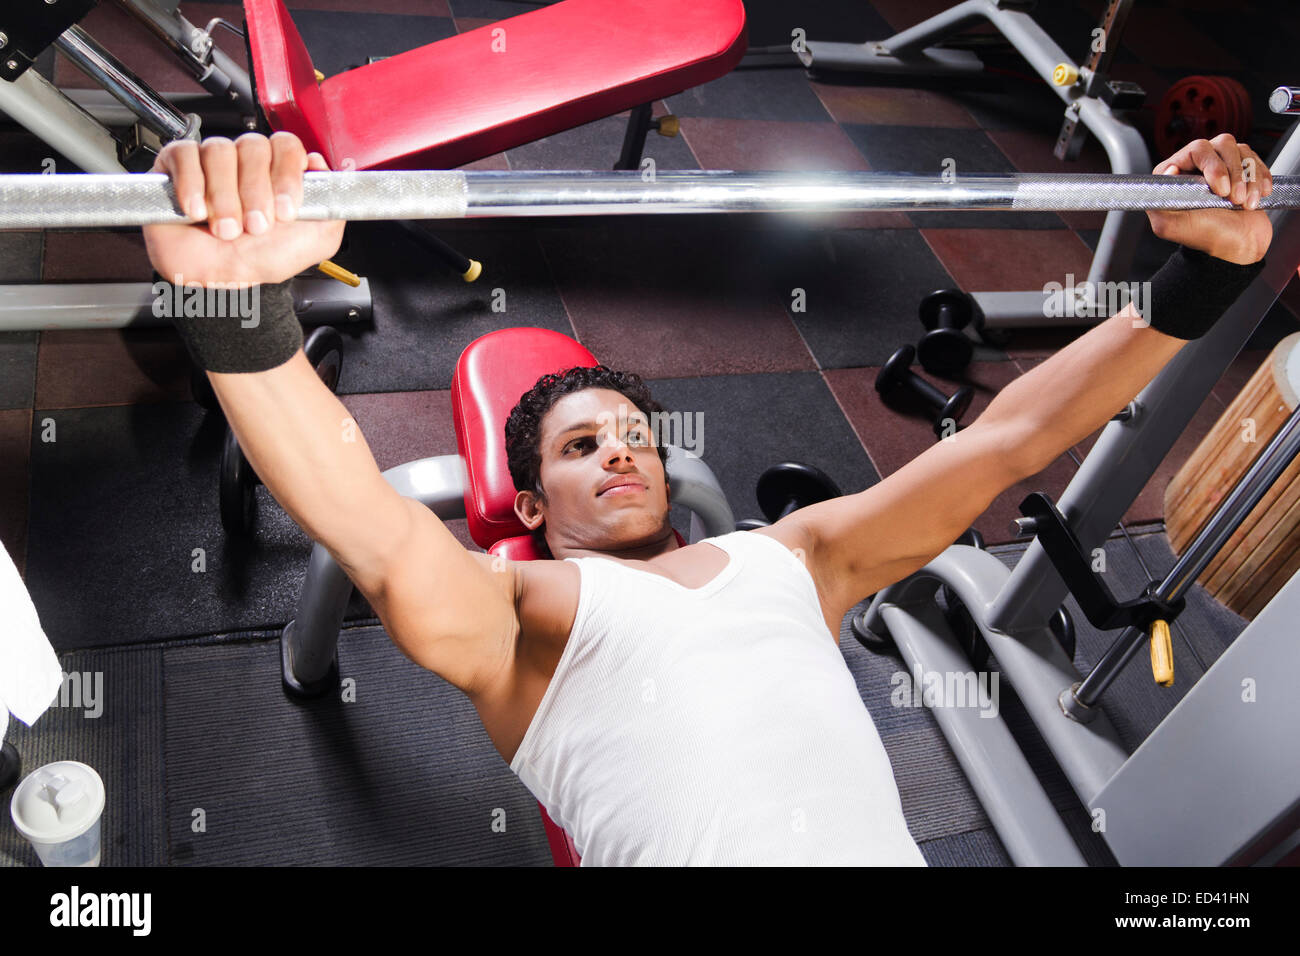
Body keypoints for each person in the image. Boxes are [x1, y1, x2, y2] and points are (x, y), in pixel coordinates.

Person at [142, 131, 1272, 865]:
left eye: (634, 436)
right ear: (529, 507)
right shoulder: (521, 617)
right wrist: (241, 313)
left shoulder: (804, 554)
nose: (624, 455)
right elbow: (373, 530)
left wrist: (1200, 278)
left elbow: (1011, 439)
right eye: (585, 447)